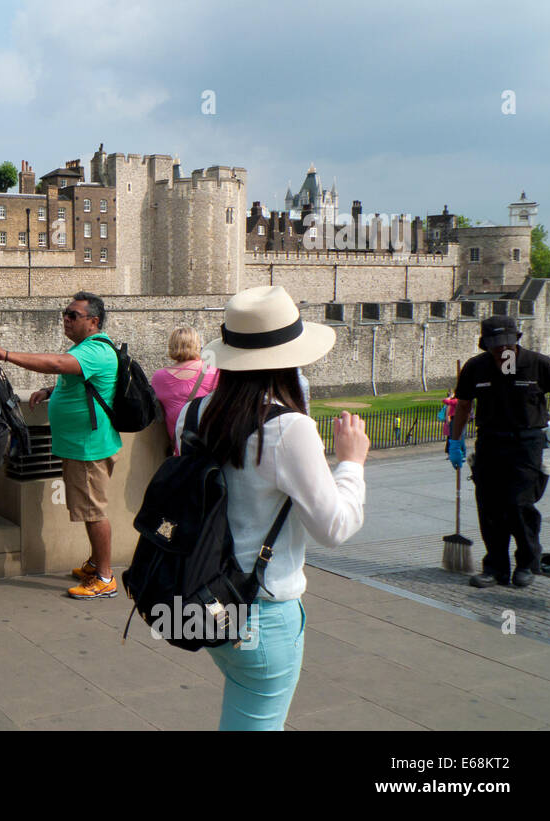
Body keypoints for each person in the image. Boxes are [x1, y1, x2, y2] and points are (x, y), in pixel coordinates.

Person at [185, 285, 368, 731]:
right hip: (261, 612)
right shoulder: (288, 429)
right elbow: (335, 527)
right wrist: (351, 464)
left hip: (208, 597)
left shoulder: (192, 414)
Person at [0, 291, 123, 600]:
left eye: (73, 315)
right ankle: (94, 562)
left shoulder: (93, 351)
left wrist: (5, 355)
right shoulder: (86, 348)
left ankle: (105, 576)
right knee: (88, 509)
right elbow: (75, 378)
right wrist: (51, 391)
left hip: (89, 446)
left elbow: (56, 364)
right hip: (82, 443)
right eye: (65, 313)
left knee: (94, 511)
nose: (66, 318)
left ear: (93, 321)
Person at [447, 315, 550, 589]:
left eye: (506, 344)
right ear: (485, 344)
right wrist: (455, 440)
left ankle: (526, 563)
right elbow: (463, 405)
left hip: (526, 441)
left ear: (516, 340)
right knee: (490, 506)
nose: (502, 350)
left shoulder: (538, 364)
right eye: (496, 345)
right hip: (490, 441)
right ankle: (495, 567)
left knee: (519, 505)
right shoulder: (476, 367)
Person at [151, 326, 219, 455]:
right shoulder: (213, 372)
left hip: (180, 449)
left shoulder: (159, 377)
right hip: (210, 447)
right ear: (197, 345)